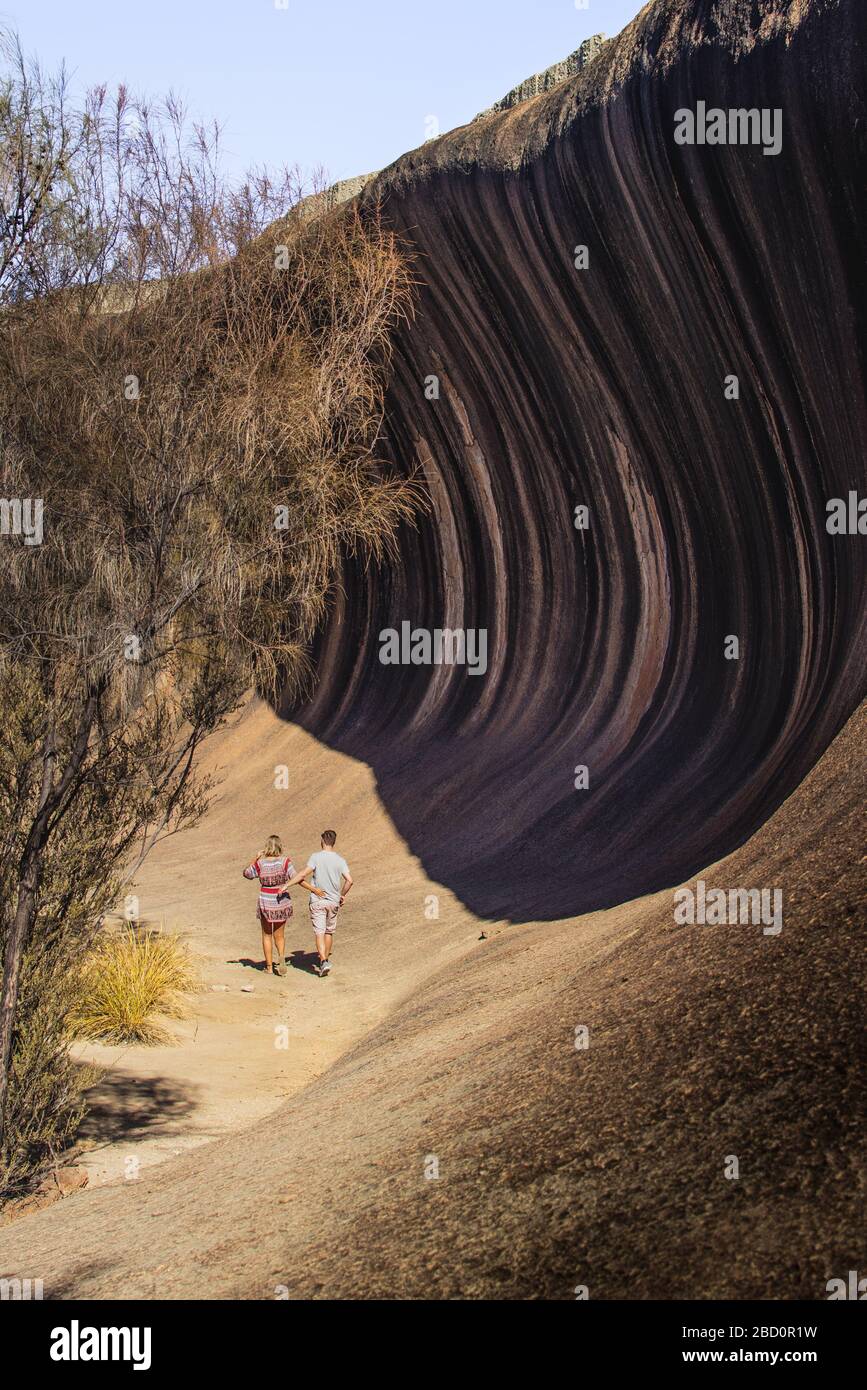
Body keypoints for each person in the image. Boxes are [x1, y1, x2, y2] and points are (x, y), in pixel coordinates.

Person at [242, 835, 321, 976]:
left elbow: (247, 874)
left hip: (266, 900)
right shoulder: (285, 862)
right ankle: (281, 958)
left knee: (266, 934)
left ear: (266, 848)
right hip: (281, 901)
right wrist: (313, 889)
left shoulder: (261, 864)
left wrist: (256, 858)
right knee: (280, 935)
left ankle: (269, 967)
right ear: (280, 847)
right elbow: (297, 878)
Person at [283, 829, 352, 976]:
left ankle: (323, 961)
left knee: (319, 932)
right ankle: (324, 960)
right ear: (334, 842)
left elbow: (302, 874)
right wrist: (342, 895)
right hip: (333, 901)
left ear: (322, 841)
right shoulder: (340, 860)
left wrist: (287, 885)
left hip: (318, 901)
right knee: (329, 932)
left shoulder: (316, 857)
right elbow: (349, 881)